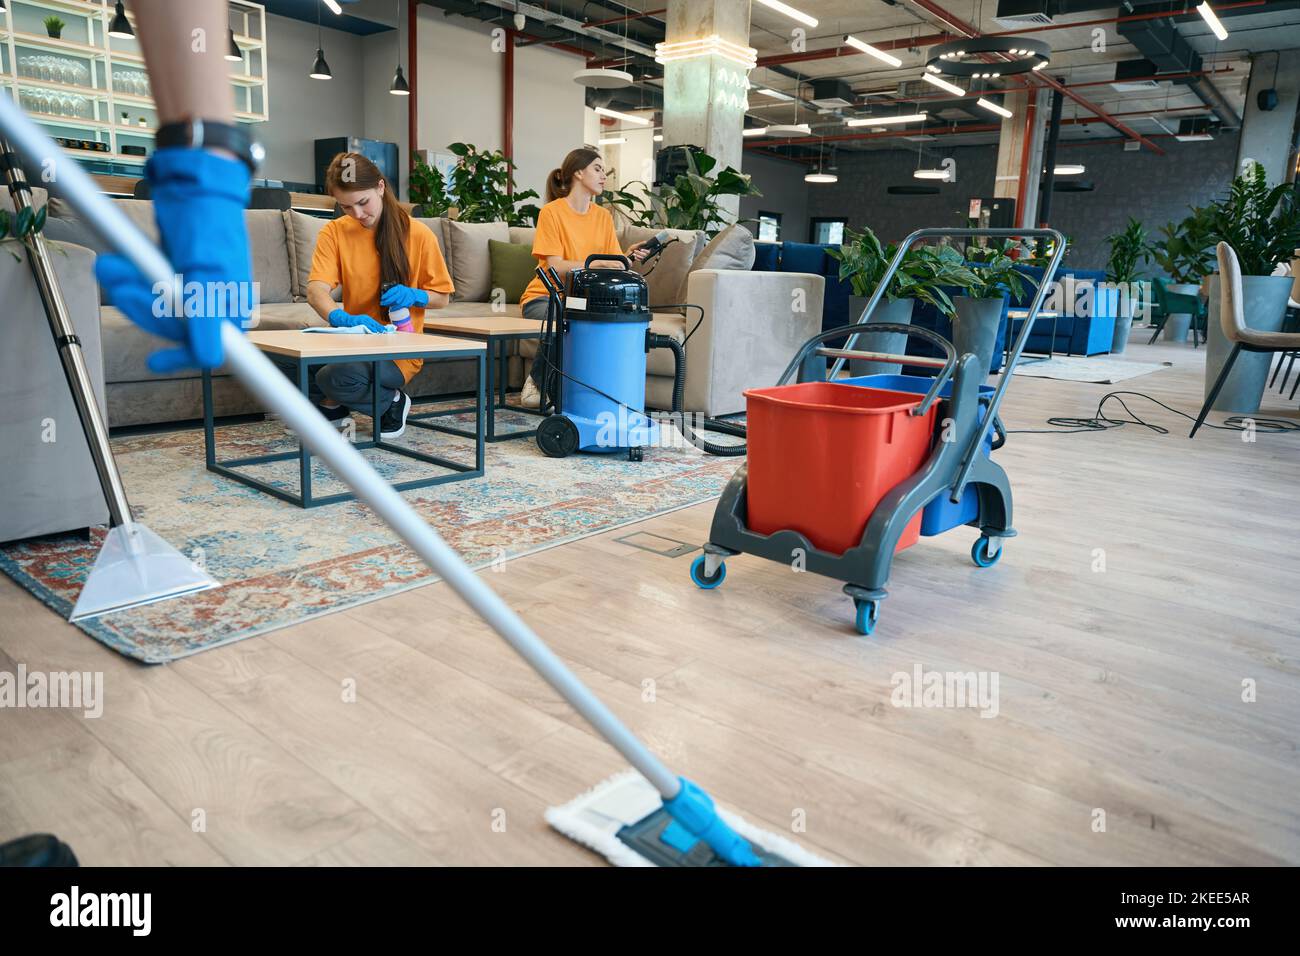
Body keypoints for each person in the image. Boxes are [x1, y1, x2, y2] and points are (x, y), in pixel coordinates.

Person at [304, 152, 453, 438]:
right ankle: (334, 405)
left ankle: (392, 403)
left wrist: (414, 296)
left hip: (399, 352)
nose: (358, 215)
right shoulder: (334, 232)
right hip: (353, 342)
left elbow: (442, 297)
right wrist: (338, 316)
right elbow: (315, 289)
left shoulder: (419, 235)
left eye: (363, 203)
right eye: (346, 207)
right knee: (283, 358)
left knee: (332, 375)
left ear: (381, 188)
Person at [516, 147, 649, 407]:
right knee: (563, 316)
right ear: (578, 172)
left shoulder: (603, 217)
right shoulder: (551, 212)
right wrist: (594, 263)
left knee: (592, 319)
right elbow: (553, 265)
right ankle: (536, 381)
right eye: (597, 169)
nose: (603, 177)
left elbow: (612, 264)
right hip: (545, 297)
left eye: (604, 171)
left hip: (582, 300)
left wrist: (627, 257)